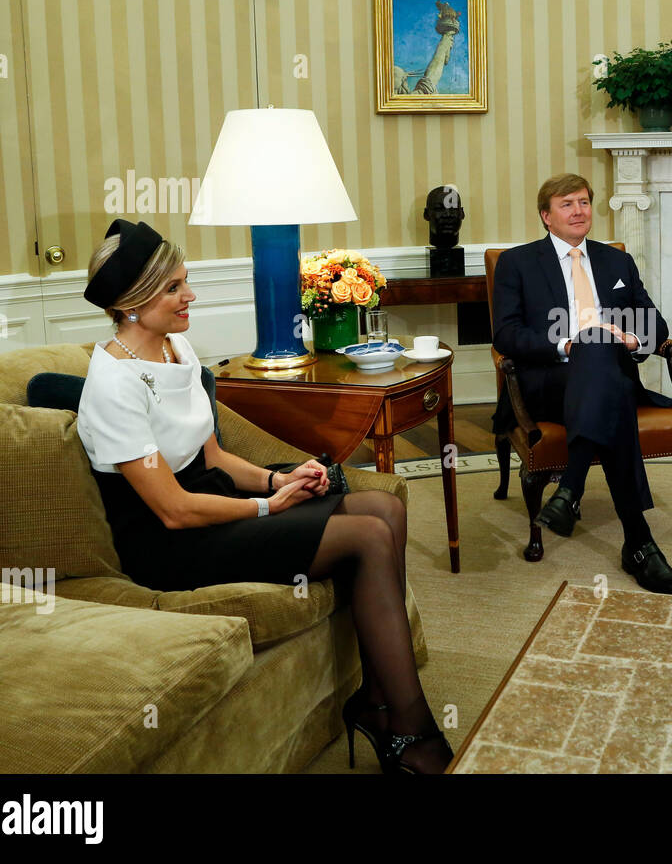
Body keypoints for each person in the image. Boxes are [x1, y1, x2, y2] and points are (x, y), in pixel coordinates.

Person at [76, 219, 452, 774]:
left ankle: (375, 702)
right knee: (368, 534)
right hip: (169, 543)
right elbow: (173, 509)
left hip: (213, 500)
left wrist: (280, 480)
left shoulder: (175, 348)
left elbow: (215, 460)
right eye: (175, 288)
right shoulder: (111, 385)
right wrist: (266, 508)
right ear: (132, 302)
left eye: (186, 282)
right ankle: (410, 727)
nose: (190, 296)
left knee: (385, 506)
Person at [491, 173, 672, 596]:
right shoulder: (517, 262)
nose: (579, 211)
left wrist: (631, 339)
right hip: (549, 380)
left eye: (583, 202)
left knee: (602, 348)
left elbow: (655, 322)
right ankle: (638, 541)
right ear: (546, 216)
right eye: (567, 204)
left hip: (608, 373)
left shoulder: (617, 261)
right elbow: (506, 335)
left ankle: (571, 489)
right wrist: (566, 343)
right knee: (598, 359)